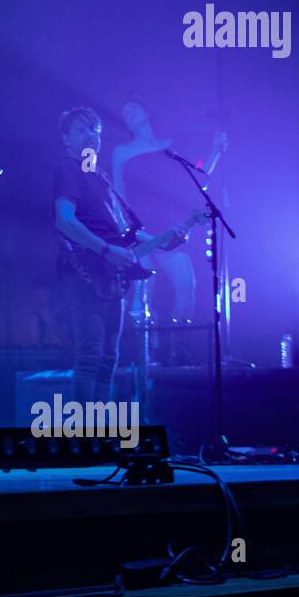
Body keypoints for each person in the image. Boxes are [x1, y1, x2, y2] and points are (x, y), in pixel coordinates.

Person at [52, 107, 187, 405]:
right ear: (67, 139)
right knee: (90, 356)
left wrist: (163, 242)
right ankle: (88, 440)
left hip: (110, 276)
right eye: (81, 130)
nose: (91, 135)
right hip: (84, 273)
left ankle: (102, 436)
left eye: (95, 130)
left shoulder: (101, 178)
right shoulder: (69, 170)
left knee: (107, 359)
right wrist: (103, 249)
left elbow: (124, 230)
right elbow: (64, 220)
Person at [110, 99, 225, 329]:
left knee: (186, 285)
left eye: (133, 108)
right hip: (138, 228)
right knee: (145, 285)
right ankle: (143, 352)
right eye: (124, 112)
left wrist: (216, 151)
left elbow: (197, 179)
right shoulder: (121, 151)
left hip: (167, 226)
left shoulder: (169, 147)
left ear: (147, 112)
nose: (128, 113)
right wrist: (125, 227)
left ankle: (175, 346)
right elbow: (117, 193)